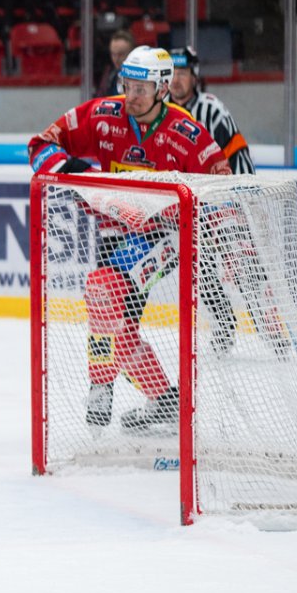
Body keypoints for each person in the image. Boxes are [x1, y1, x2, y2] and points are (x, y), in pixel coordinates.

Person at [25, 46, 226, 432]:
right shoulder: (103, 115)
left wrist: (204, 227)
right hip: (112, 234)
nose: (130, 96)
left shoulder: (187, 134)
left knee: (101, 291)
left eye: (140, 88)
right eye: (126, 84)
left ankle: (100, 386)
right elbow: (39, 145)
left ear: (163, 88)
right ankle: (165, 400)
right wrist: (76, 170)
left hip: (163, 236)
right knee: (118, 326)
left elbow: (220, 184)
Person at [166, 46, 254, 174]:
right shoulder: (158, 108)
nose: (175, 79)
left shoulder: (213, 111)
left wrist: (245, 189)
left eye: (182, 73)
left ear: (194, 77)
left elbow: (238, 158)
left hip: (207, 189)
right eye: (171, 72)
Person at [96, 28, 134, 98]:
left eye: (121, 54)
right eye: (113, 54)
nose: (116, 59)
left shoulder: (140, 79)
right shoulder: (109, 74)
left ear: (131, 53)